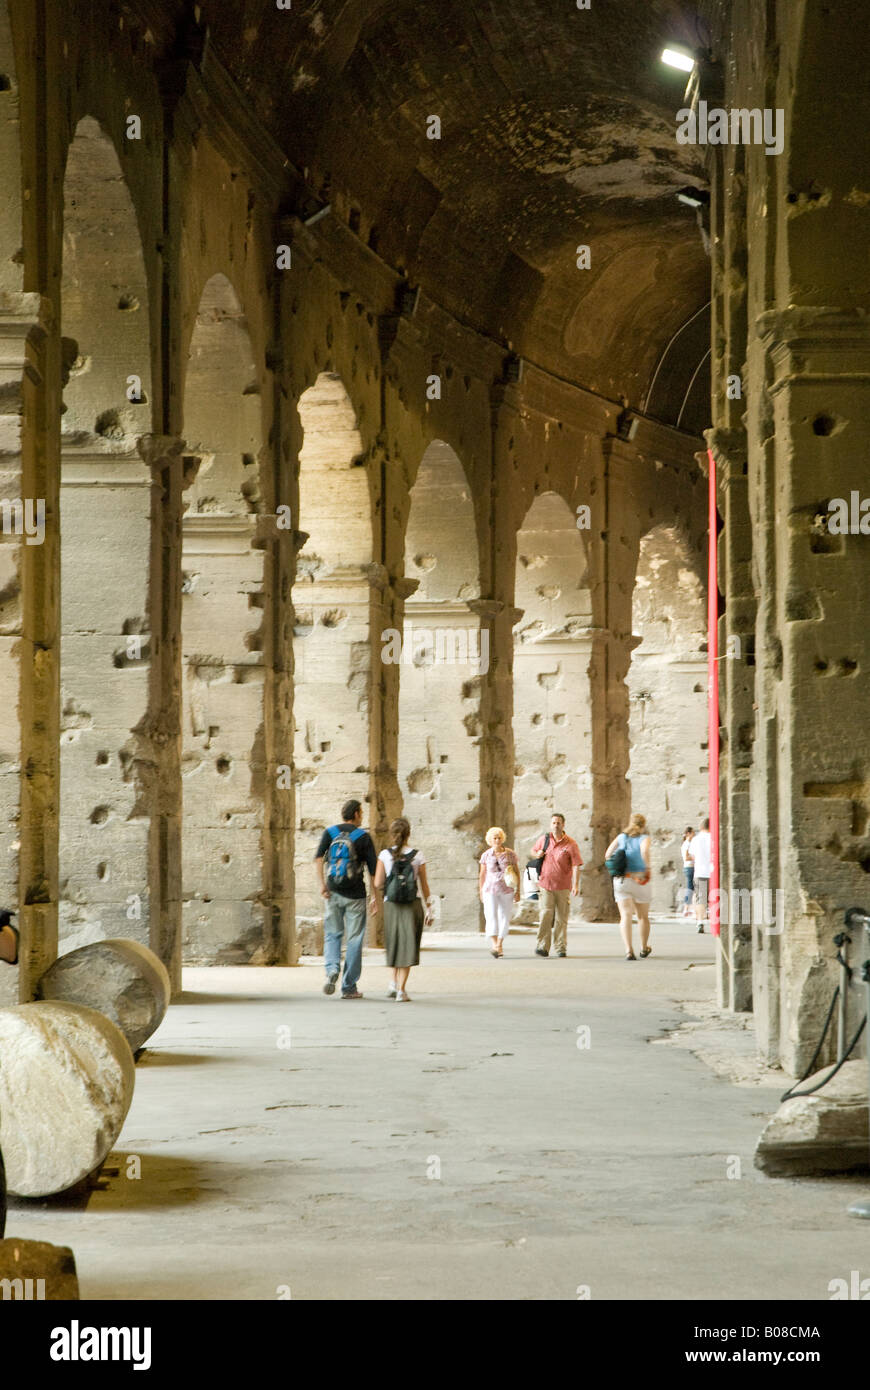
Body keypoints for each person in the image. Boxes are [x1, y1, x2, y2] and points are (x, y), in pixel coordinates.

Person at [314, 799, 377, 999]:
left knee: (332, 934)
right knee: (355, 939)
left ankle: (332, 969)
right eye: (362, 812)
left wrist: (322, 884)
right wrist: (374, 897)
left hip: (332, 892)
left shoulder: (330, 833)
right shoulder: (363, 837)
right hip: (356, 895)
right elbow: (373, 871)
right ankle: (349, 986)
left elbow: (318, 859)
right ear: (357, 814)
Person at [370, 817, 435, 1002]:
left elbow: (378, 882)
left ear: (392, 835)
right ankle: (401, 990)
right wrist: (429, 908)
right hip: (411, 905)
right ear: (409, 834)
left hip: (391, 904)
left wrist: (380, 894)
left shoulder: (384, 855)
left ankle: (393, 983)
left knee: (394, 944)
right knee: (408, 947)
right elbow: (424, 885)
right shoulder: (418, 855)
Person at [531, 813, 582, 957]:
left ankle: (560, 947)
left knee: (561, 918)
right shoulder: (544, 839)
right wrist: (537, 854)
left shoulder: (571, 843)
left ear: (563, 825)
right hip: (545, 884)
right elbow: (533, 851)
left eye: (558, 823)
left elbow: (577, 865)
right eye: (553, 822)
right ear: (550, 824)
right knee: (546, 914)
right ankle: (542, 946)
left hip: (563, 885)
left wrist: (576, 884)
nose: (556, 825)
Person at [605, 812, 652, 960]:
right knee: (642, 916)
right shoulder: (644, 838)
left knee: (625, 915)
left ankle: (628, 950)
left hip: (622, 880)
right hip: (639, 878)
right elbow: (644, 851)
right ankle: (644, 948)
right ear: (643, 825)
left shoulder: (621, 837)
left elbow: (607, 855)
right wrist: (647, 868)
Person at [478, 827, 520, 957]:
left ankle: (500, 944)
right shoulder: (486, 855)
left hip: (507, 889)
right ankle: (494, 944)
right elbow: (482, 874)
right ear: (490, 840)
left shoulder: (510, 854)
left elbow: (517, 872)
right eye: (494, 838)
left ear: (502, 838)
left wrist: (518, 890)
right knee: (490, 915)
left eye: (499, 837)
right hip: (490, 889)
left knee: (504, 916)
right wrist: (480, 890)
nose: (497, 840)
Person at [689, 817, 712, 934]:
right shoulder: (714, 837)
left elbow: (692, 856)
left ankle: (700, 922)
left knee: (700, 899)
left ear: (701, 827)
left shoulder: (695, 840)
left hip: (700, 873)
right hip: (713, 872)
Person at [680, 827, 695, 918]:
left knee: (691, 889)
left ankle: (688, 908)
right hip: (690, 867)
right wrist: (696, 857)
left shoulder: (685, 844)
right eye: (693, 833)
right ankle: (687, 908)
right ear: (688, 833)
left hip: (688, 868)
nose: (694, 835)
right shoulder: (687, 844)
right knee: (691, 889)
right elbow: (686, 857)